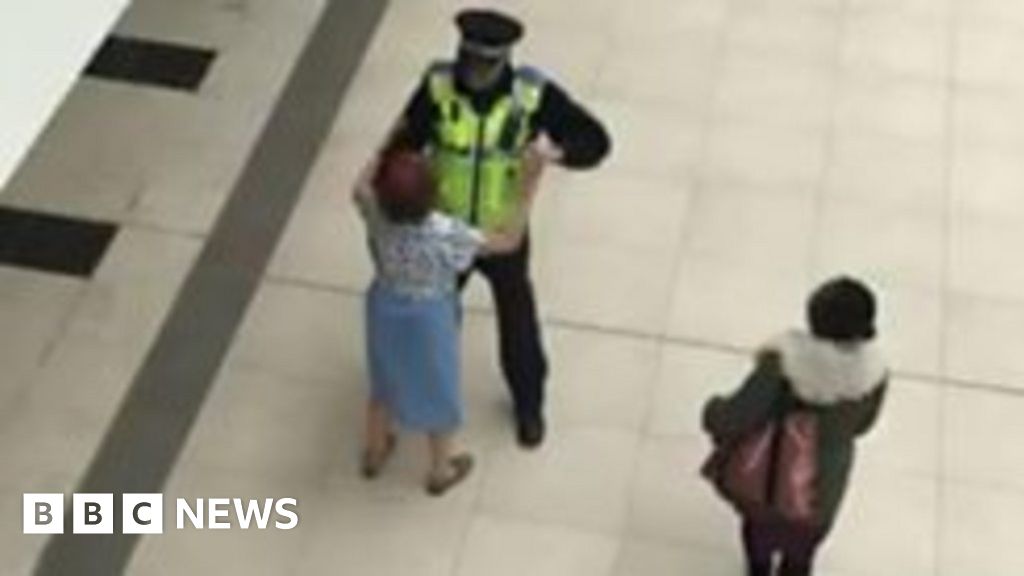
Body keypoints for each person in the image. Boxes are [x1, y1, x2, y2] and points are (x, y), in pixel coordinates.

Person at [376, 8, 612, 448]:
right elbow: (402, 146)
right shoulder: (438, 87)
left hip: (503, 236)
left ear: (502, 61)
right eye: (469, 60)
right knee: (430, 323)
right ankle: (409, 402)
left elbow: (596, 141)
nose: (473, 73)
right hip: (445, 233)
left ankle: (529, 407)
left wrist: (554, 152)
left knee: (518, 326)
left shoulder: (531, 95)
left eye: (484, 64)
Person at [354, 146, 543, 496]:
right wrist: (529, 182)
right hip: (430, 315)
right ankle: (441, 469)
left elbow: (359, 187)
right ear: (435, 194)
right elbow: (507, 241)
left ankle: (374, 452)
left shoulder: (375, 214)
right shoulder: (445, 232)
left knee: (382, 382)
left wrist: (386, 146)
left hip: (385, 305)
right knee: (437, 388)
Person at [702, 277, 889, 575]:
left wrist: (712, 413)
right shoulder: (873, 375)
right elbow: (863, 426)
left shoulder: (783, 365)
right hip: (823, 490)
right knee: (802, 552)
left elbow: (738, 415)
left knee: (759, 538)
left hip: (767, 481)